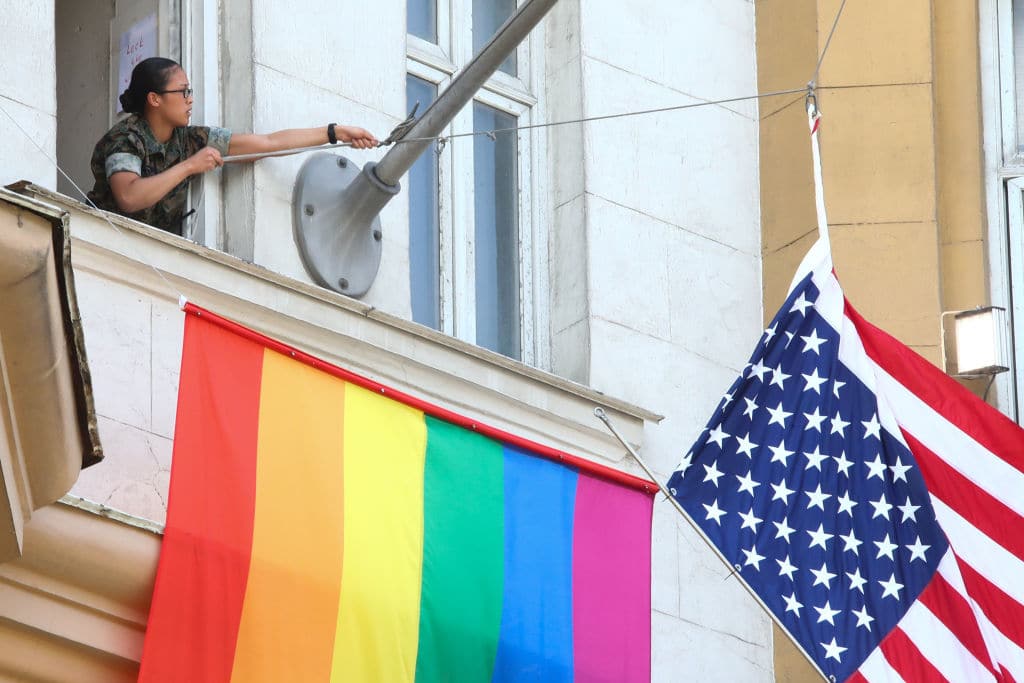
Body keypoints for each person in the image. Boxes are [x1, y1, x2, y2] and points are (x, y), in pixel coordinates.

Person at [87, 57, 378, 235]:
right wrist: (190, 166)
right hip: (101, 245)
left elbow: (268, 143)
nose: (190, 99)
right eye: (183, 91)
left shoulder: (188, 138)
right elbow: (128, 196)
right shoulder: (126, 138)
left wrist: (335, 132)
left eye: (190, 91)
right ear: (154, 99)